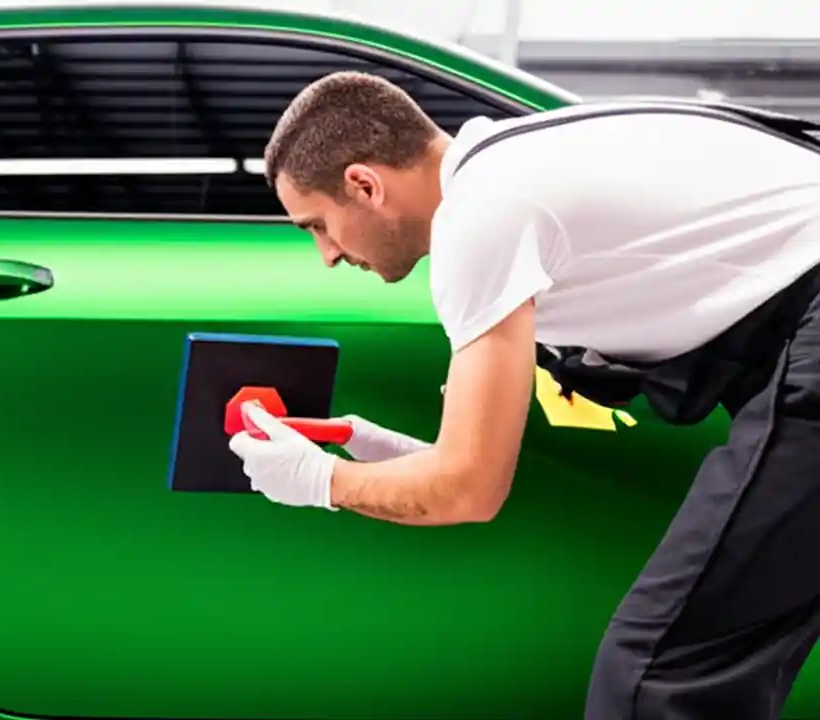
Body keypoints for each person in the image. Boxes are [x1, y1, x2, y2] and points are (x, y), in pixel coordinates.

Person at [227, 70, 820, 720]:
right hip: (791, 319)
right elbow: (477, 456)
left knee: (654, 680)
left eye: (318, 226)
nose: (327, 256)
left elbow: (470, 489)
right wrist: (409, 459)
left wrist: (322, 482)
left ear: (364, 185)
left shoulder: (480, 216)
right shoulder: (508, 165)